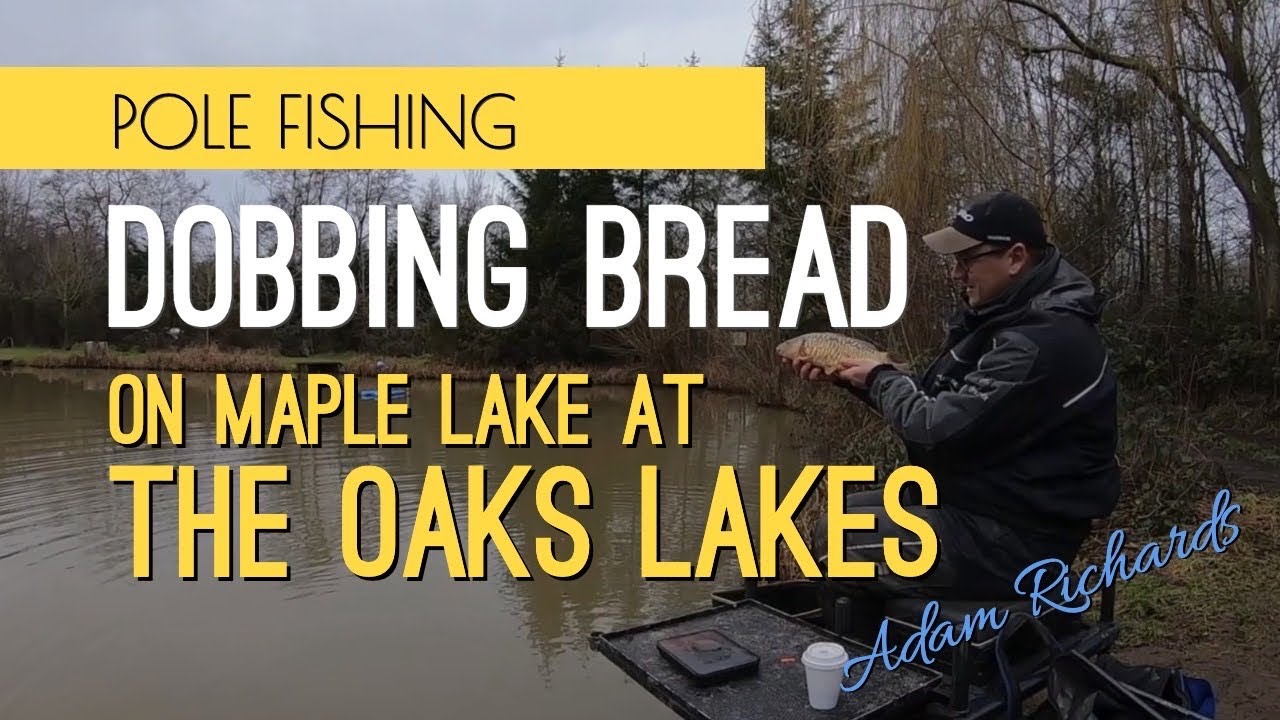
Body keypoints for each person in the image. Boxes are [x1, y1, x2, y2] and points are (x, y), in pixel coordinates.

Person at [784, 189, 1121, 605]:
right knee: (845, 513)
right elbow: (936, 404)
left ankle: (932, 646)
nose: (957, 275)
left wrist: (881, 378)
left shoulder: (1041, 340)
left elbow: (933, 429)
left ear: (1015, 258)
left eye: (967, 261)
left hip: (1016, 541)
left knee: (836, 538)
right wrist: (856, 378)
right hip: (983, 504)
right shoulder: (1005, 322)